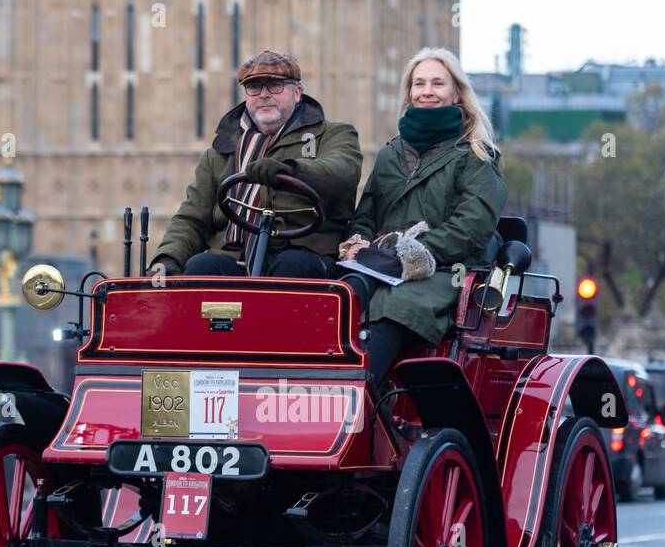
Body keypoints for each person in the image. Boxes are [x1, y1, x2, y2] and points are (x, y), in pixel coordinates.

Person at [340, 47, 507, 381]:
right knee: (338, 297)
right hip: (380, 266)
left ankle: (358, 394)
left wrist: (410, 255)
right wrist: (357, 243)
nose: (427, 91)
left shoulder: (476, 154)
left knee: (393, 305)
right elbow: (366, 212)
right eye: (419, 84)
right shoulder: (390, 154)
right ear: (409, 93)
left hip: (445, 272)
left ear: (457, 93)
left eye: (437, 83)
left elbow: (472, 226)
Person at [152, 50, 362, 279]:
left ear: (298, 93)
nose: (263, 95)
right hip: (233, 257)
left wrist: (293, 170)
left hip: (303, 254)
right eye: (254, 87)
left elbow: (342, 172)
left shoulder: (333, 134)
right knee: (202, 267)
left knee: (291, 266)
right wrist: (167, 259)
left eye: (274, 86)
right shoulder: (221, 151)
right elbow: (192, 217)